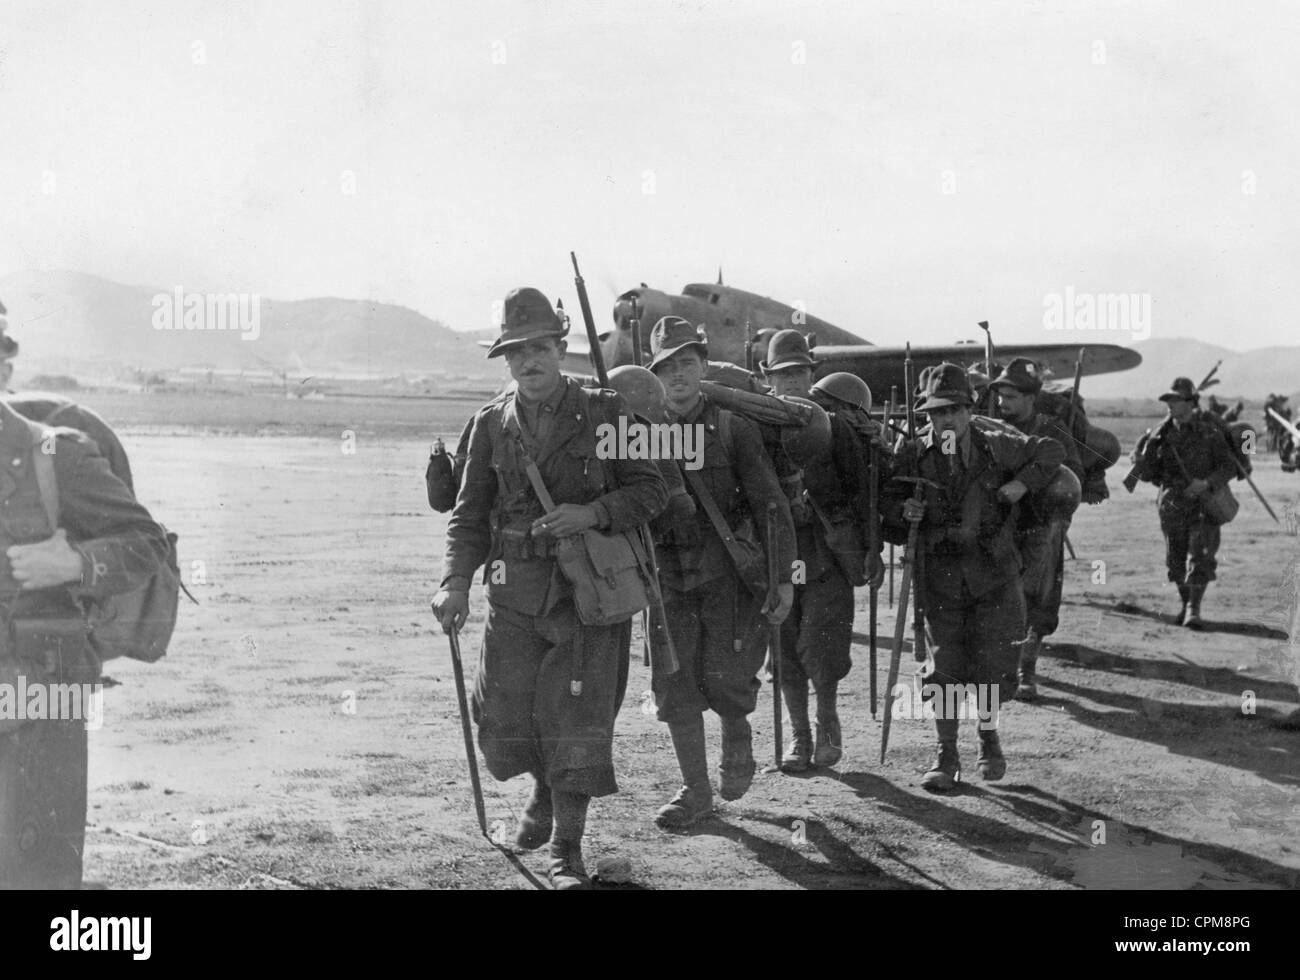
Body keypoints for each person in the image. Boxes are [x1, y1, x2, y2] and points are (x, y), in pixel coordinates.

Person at [431, 287, 667, 889]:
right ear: (505, 360)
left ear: (561, 349)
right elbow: (467, 513)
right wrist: (455, 582)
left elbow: (652, 490)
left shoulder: (606, 414)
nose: (528, 361)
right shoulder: (490, 424)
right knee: (501, 721)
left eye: (539, 348)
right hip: (513, 594)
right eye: (516, 352)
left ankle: (567, 850)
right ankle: (541, 785)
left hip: (586, 594)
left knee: (577, 721)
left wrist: (592, 514)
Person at [0, 396, 169, 888]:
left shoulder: (56, 455)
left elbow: (146, 542)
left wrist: (74, 562)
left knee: (35, 872)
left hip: (40, 696)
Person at [882, 364, 1063, 792]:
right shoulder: (912, 452)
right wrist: (903, 511)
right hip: (940, 575)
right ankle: (946, 754)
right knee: (943, 667)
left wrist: (1022, 484)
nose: (946, 420)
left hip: (995, 574)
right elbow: (886, 501)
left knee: (995, 664)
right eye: (937, 412)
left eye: (954, 410)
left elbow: (1051, 452)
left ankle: (987, 736)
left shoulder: (998, 444)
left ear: (969, 410)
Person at [646, 316, 794, 828]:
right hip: (665, 575)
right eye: (666, 366)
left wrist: (782, 578)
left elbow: (770, 504)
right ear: (654, 375)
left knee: (727, 675)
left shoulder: (734, 428)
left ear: (704, 366)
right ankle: (695, 791)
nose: (677, 374)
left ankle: (737, 734)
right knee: (673, 683)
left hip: (727, 573)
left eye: (686, 362)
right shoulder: (640, 434)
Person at [760, 339, 879, 771]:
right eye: (783, 374)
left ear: (812, 375)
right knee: (785, 646)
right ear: (769, 378)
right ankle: (799, 735)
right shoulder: (754, 424)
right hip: (778, 553)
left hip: (825, 552)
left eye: (799, 372)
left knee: (823, 642)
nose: (791, 381)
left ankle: (827, 722)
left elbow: (863, 490)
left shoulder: (834, 425)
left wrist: (872, 548)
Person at [990, 357, 1084, 700]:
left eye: (1010, 397)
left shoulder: (1052, 430)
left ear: (1031, 398)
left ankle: (1026, 667)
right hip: (1000, 524)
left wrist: (1032, 486)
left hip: (1041, 524)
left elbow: (1073, 477)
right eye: (1000, 396)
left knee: (1037, 598)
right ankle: (1002, 664)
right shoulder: (992, 427)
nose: (1003, 403)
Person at [1128, 377, 1238, 629]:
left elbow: (1229, 466)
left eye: (1175, 400)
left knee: (1200, 556)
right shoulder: (1160, 435)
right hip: (1172, 504)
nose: (1169, 404)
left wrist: (1207, 483)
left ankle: (1193, 609)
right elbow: (1149, 474)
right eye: (1168, 400)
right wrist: (1140, 460)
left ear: (1190, 403)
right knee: (1174, 560)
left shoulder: (1209, 432)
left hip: (1202, 503)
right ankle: (1186, 603)